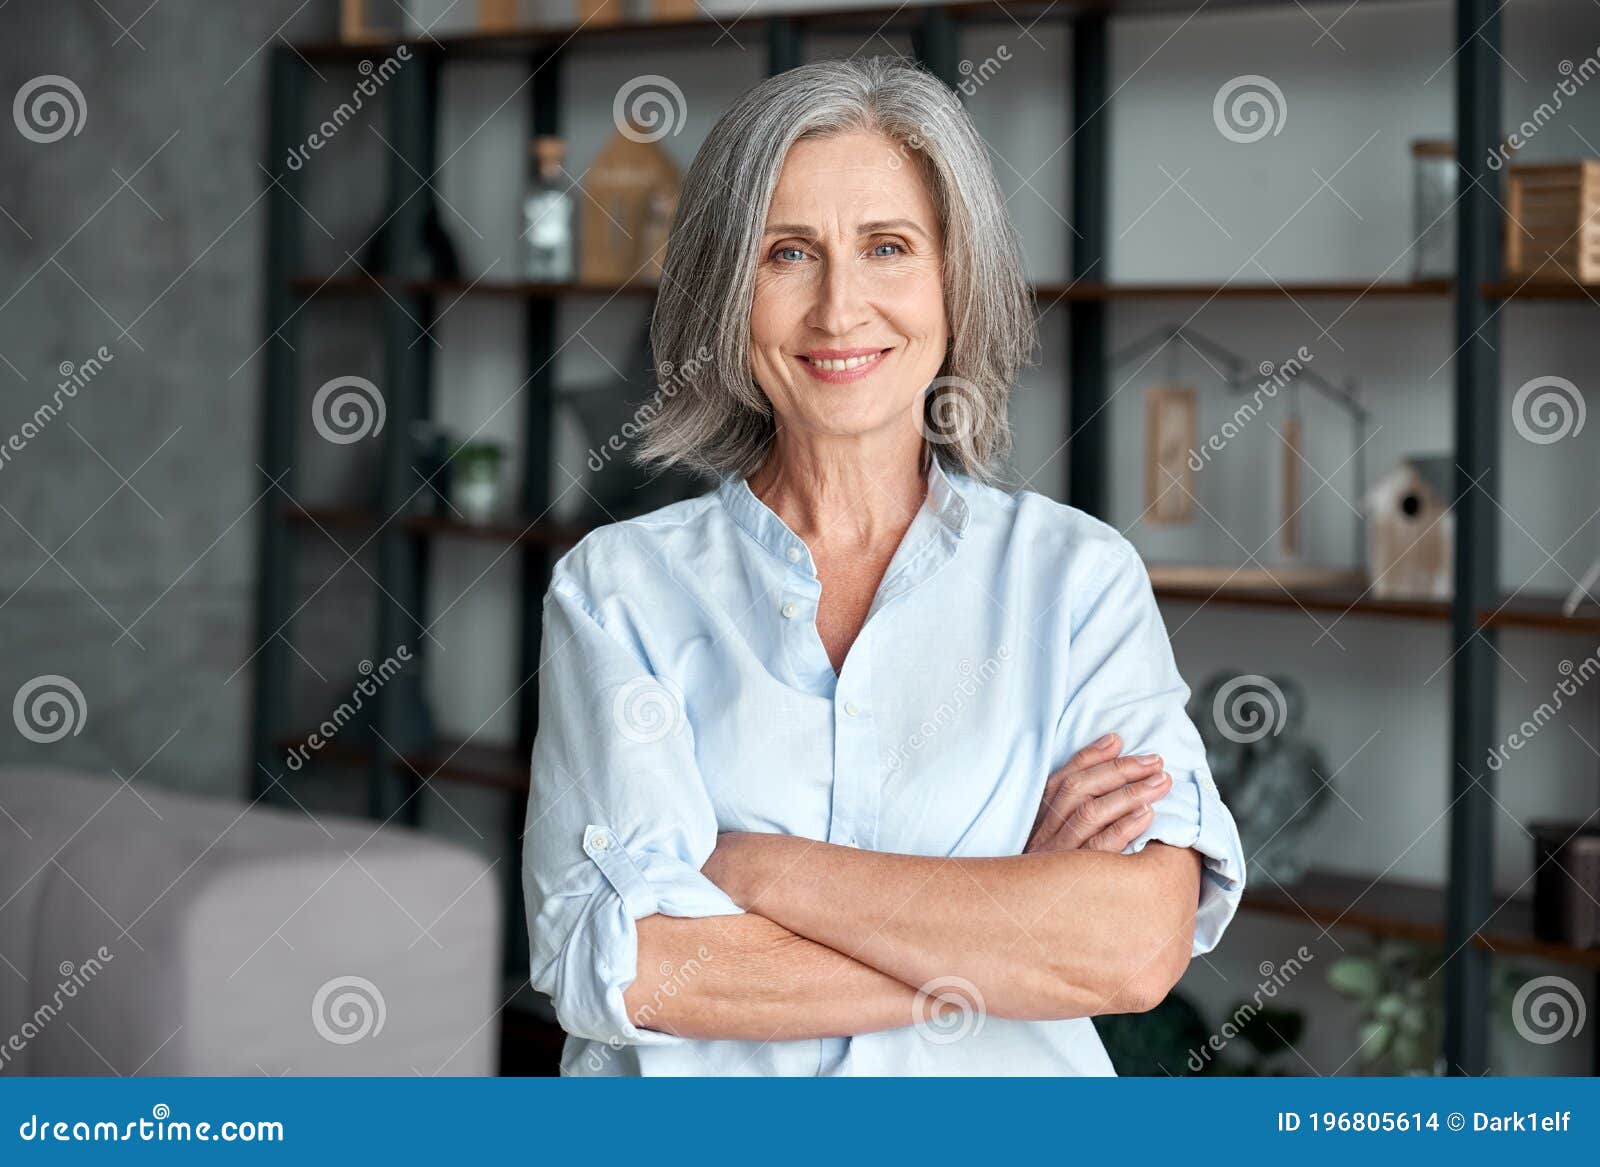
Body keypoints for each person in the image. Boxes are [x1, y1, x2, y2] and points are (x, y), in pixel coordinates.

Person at [522, 56, 1245, 1076]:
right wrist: (1010, 925)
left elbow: (1129, 949)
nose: (838, 310)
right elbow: (632, 971)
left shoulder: (1077, 581)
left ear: (955, 279)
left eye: (887, 247)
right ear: (726, 292)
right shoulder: (619, 590)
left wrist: (754, 868)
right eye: (787, 254)